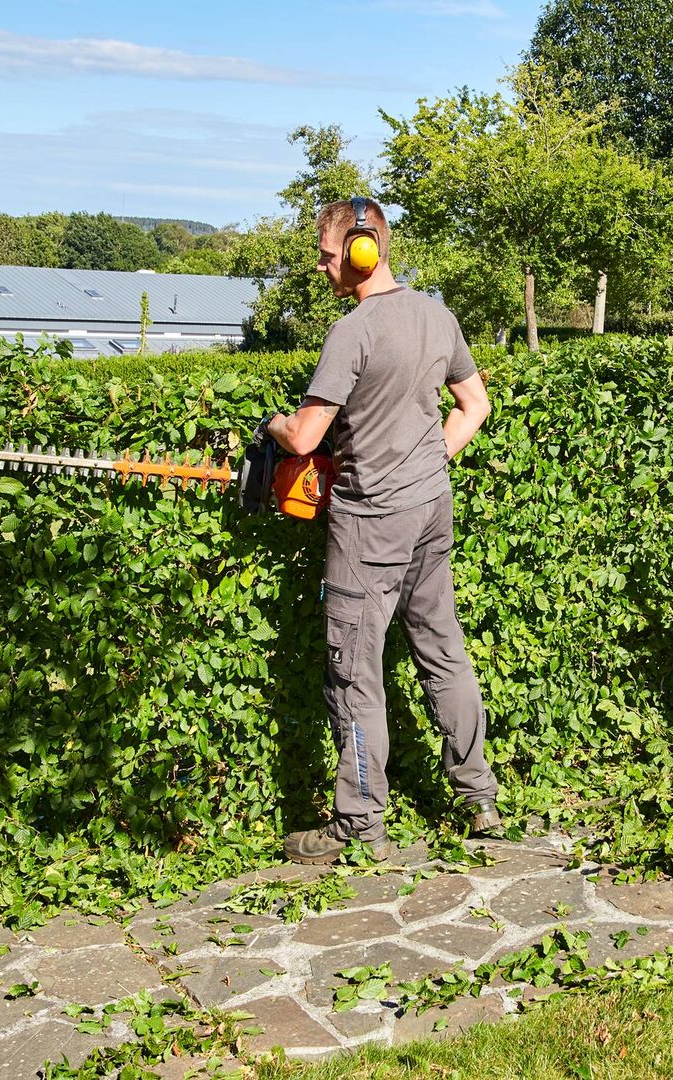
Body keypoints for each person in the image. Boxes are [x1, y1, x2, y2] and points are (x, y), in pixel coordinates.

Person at [266, 197, 502, 864]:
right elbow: (475, 405)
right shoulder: (437, 314)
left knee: (353, 670)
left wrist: (273, 426)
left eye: (326, 253)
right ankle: (477, 798)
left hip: (371, 523)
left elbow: (306, 435)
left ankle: (359, 826)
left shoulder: (355, 330)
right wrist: (425, 460)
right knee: (442, 648)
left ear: (360, 253)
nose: (321, 266)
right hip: (431, 507)